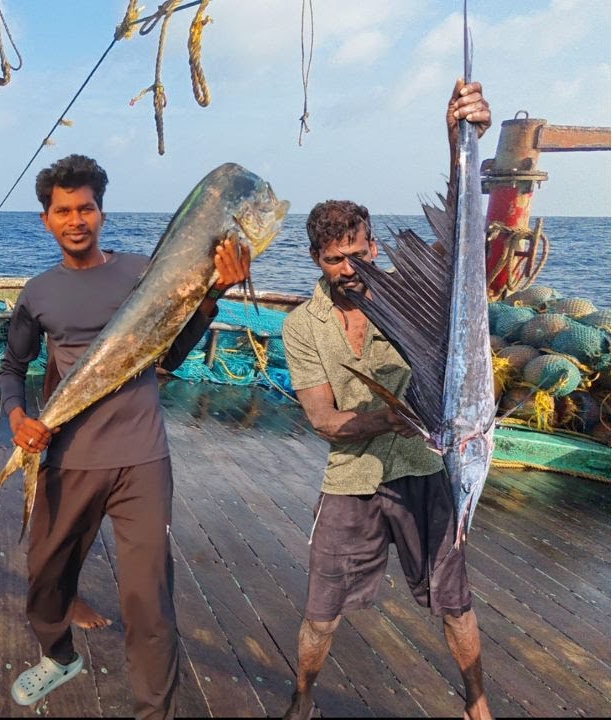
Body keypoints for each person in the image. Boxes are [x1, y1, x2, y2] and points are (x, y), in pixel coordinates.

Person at [0, 154, 252, 720]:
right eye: (62, 210)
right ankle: (59, 656)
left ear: (101, 213)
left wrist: (213, 296)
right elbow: (11, 370)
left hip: (141, 460)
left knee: (148, 604)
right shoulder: (37, 294)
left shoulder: (145, 272)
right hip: (67, 460)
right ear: (46, 220)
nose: (75, 219)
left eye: (85, 207)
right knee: (44, 584)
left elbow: (173, 355)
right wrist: (19, 421)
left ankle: (152, 713)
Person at [279, 80, 493, 720]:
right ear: (318, 258)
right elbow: (324, 421)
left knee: (455, 601)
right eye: (337, 258)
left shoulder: (414, 306)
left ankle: (477, 704)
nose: (352, 267)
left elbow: (467, 256)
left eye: (361, 252)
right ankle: (303, 698)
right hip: (352, 479)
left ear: (374, 247)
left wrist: (460, 132)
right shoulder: (301, 326)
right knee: (321, 611)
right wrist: (388, 416)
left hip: (430, 472)